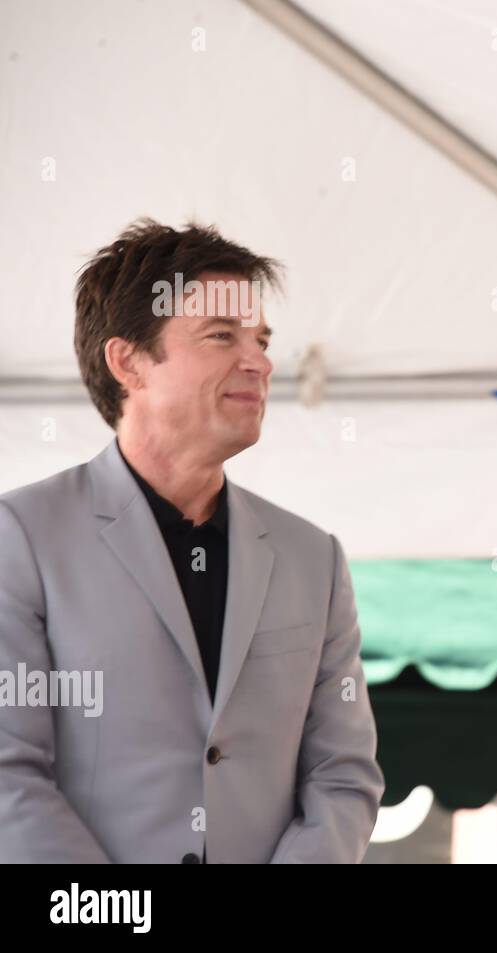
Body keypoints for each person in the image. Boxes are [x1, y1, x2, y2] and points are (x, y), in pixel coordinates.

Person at [0, 220, 384, 862]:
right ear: (127, 362)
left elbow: (342, 776)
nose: (258, 360)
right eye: (221, 336)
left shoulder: (313, 560)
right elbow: (9, 774)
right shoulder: (23, 538)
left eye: (261, 340)